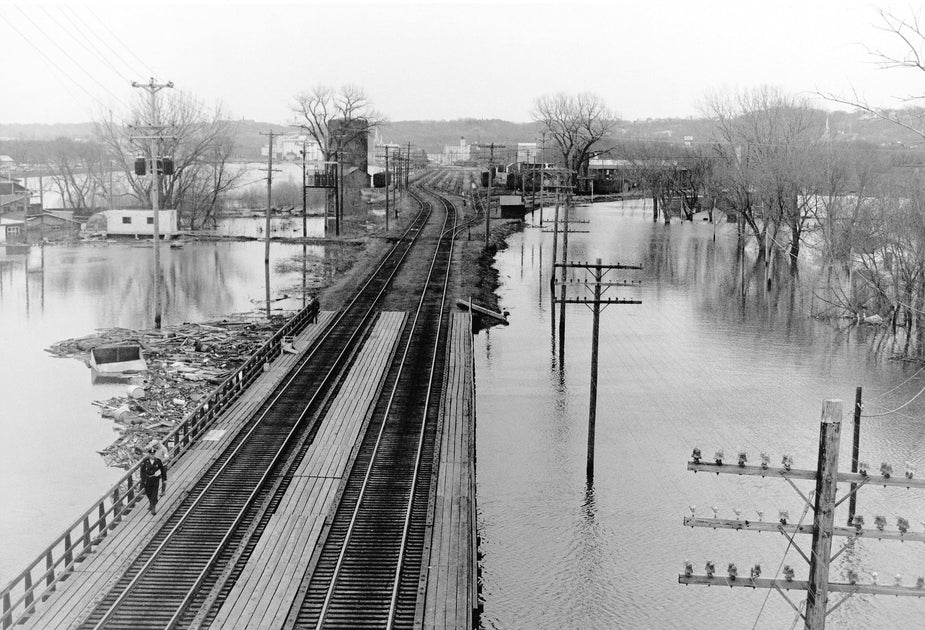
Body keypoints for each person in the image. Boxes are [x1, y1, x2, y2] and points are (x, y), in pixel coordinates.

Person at [139, 447, 167, 515]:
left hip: (155, 479)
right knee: (148, 493)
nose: (152, 455)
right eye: (151, 454)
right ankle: (153, 502)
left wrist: (164, 479)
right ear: (149, 454)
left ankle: (153, 508)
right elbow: (142, 472)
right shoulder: (145, 462)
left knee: (154, 493)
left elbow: (162, 470)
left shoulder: (158, 461)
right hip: (147, 479)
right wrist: (143, 481)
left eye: (153, 454)